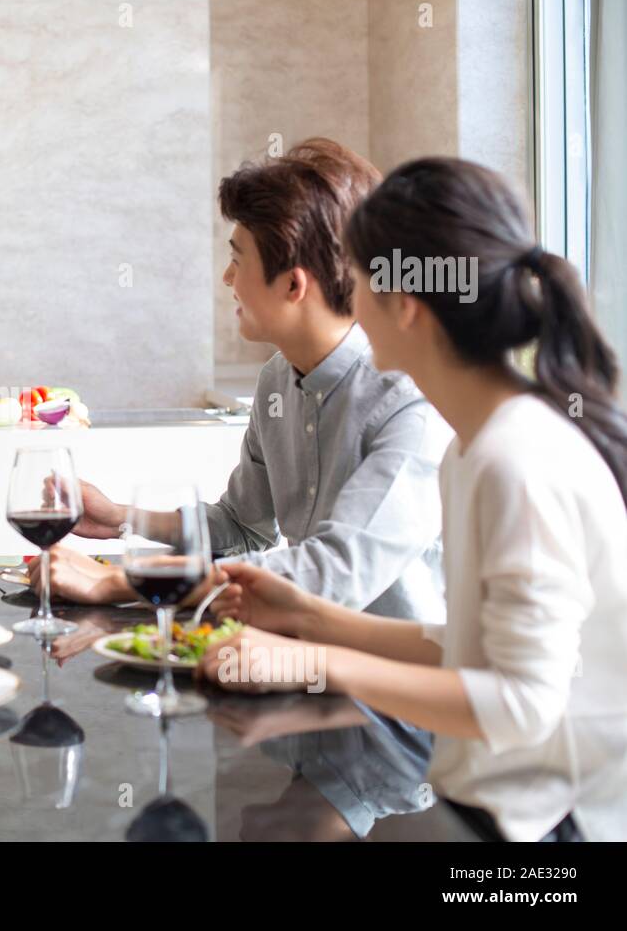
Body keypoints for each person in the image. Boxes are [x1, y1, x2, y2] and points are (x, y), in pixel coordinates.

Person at [202, 157, 627, 842]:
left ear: (405, 304)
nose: (346, 297)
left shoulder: (513, 460)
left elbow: (524, 704)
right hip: (491, 807)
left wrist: (315, 659)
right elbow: (471, 651)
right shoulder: (474, 447)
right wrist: (310, 618)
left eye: (358, 275)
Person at [36, 139, 451, 622]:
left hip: (389, 688)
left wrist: (122, 581)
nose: (227, 277)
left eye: (239, 258)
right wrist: (119, 517)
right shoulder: (278, 379)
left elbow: (331, 573)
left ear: (294, 285)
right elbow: (243, 526)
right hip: (297, 658)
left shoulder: (410, 403)